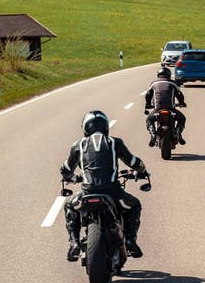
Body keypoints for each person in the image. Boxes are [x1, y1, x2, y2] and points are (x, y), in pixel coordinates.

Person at [60, 110, 146, 262]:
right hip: (114, 193)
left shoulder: (77, 145)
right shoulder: (115, 142)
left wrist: (75, 178)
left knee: (69, 206)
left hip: (86, 193)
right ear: (106, 126)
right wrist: (141, 171)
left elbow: (65, 170)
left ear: (85, 128)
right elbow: (133, 162)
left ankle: (74, 242)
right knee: (134, 205)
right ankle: (130, 240)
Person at [145, 66, 187, 146]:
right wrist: (182, 103)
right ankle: (178, 132)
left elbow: (148, 95)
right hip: (171, 109)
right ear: (169, 75)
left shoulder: (153, 83)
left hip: (157, 109)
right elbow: (179, 95)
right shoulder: (173, 83)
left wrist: (148, 104)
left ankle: (153, 134)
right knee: (182, 118)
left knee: (149, 120)